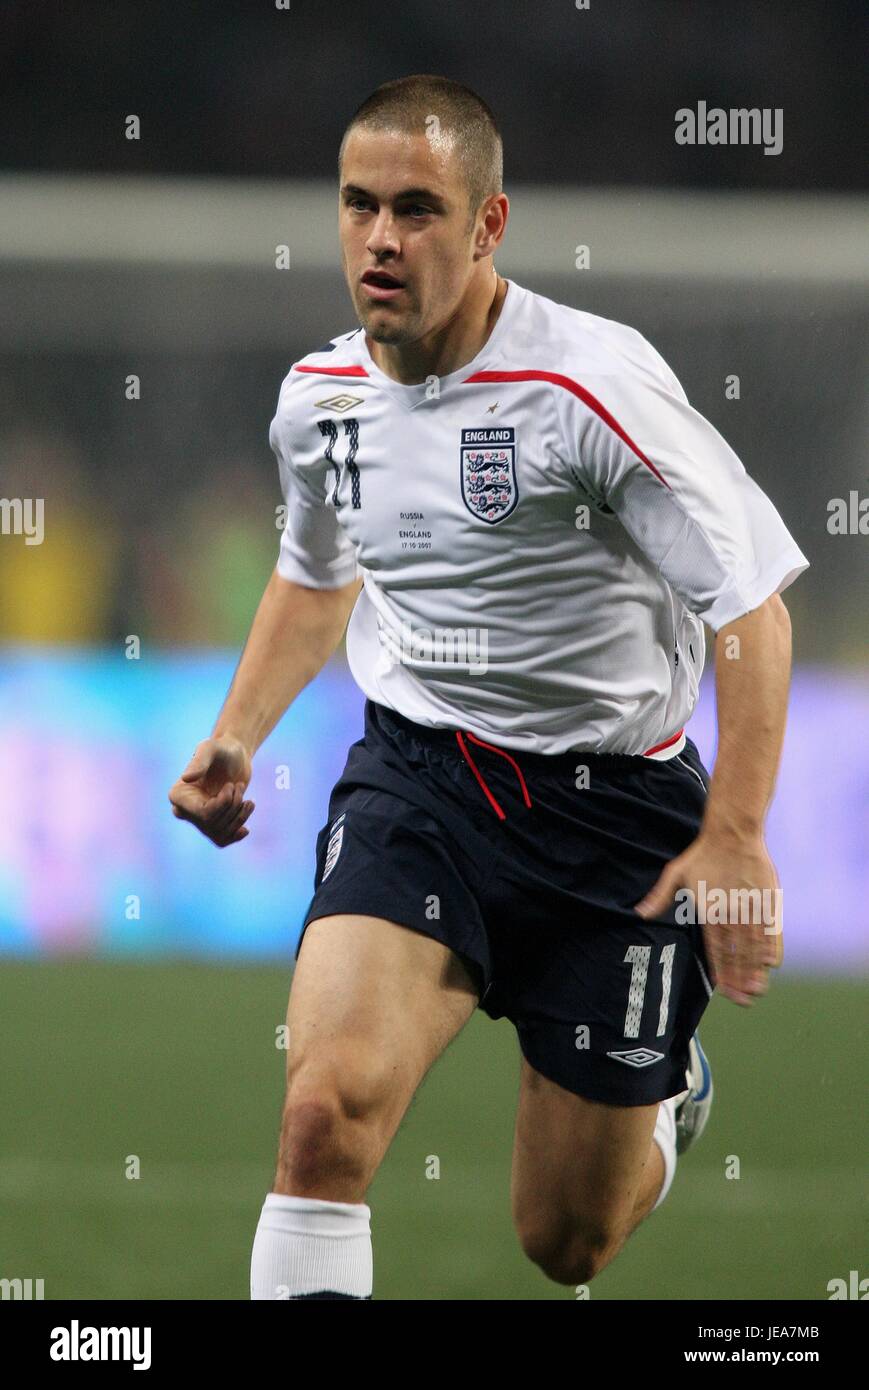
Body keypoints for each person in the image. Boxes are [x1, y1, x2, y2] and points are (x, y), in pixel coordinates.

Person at [168, 74, 808, 1300]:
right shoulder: (319, 399)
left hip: (615, 820)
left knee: (563, 1239)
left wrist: (732, 831)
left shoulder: (590, 388)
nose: (380, 239)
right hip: (421, 780)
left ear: (488, 224)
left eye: (416, 209)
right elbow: (316, 576)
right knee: (321, 1116)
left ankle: (666, 1103)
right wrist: (236, 733)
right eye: (358, 205)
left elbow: (750, 610)